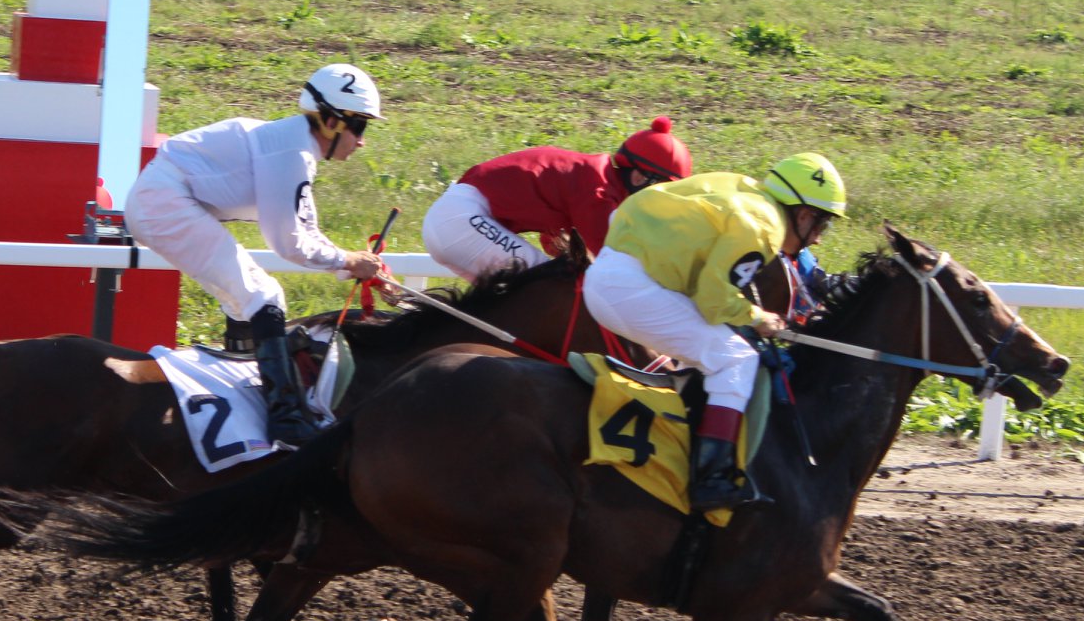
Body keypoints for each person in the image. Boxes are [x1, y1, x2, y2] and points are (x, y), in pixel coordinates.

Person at [124, 63, 387, 447]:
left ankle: (245, 396)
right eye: (360, 126)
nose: (362, 141)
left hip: (162, 198)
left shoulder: (293, 146)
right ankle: (286, 419)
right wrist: (348, 261)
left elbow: (305, 230)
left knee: (245, 301)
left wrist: (361, 269)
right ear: (331, 121)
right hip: (162, 202)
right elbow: (290, 243)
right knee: (264, 295)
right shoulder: (292, 152)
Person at [582, 152, 847, 511]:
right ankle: (712, 478)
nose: (817, 239)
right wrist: (758, 317)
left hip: (616, 272)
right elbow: (713, 298)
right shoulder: (763, 227)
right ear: (802, 214)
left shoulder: (742, 187)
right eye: (820, 226)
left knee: (720, 344)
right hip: (632, 289)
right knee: (736, 359)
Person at [421, 117, 693, 282]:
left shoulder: (593, 180)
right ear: (638, 178)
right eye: (661, 190)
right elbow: (613, 260)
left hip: (455, 220)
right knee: (550, 285)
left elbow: (554, 244)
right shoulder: (597, 191)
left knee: (517, 299)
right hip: (462, 221)